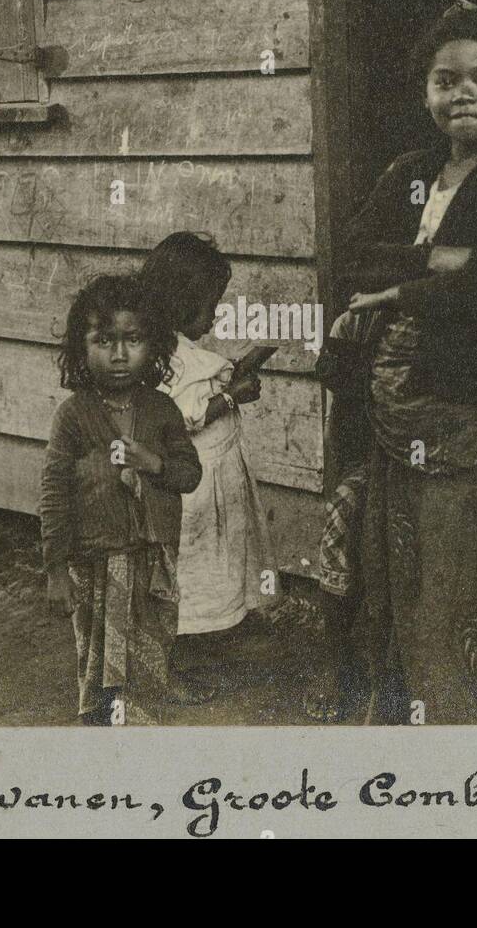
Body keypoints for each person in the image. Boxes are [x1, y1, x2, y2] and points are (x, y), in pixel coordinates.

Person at [309, 0, 477, 725]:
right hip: (390, 399)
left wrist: (403, 288)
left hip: (472, 396)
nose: (464, 94)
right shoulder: (411, 172)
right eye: (446, 81)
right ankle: (405, 697)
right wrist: (434, 263)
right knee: (397, 551)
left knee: (466, 556)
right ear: (426, 94)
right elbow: (354, 252)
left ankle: (476, 708)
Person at [38, 274, 207, 725]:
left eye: (132, 340)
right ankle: (103, 718)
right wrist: (55, 568)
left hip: (152, 558)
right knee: (98, 647)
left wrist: (154, 464)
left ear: (152, 346)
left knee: (150, 639)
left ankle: (142, 715)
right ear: (81, 348)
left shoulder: (161, 410)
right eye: (103, 341)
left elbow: (190, 474)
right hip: (94, 557)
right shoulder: (73, 417)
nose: (118, 354)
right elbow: (53, 493)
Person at [137, 233, 276, 680]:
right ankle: (178, 652)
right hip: (195, 485)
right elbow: (179, 415)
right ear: (179, 304)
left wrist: (239, 372)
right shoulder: (163, 359)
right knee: (195, 564)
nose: (215, 315)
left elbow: (201, 384)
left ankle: (216, 627)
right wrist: (232, 397)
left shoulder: (183, 352)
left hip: (218, 475)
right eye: (208, 305)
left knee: (221, 556)